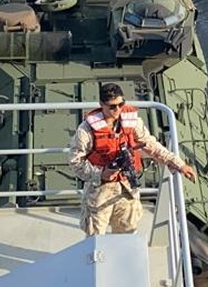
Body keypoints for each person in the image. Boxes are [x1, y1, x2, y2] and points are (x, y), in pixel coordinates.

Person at [69, 82, 196, 236]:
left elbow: (151, 145)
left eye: (121, 104)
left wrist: (178, 164)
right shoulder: (86, 131)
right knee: (94, 237)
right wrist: (101, 174)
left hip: (127, 188)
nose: (117, 110)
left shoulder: (132, 123)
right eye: (112, 106)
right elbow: (76, 162)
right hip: (99, 191)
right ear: (101, 104)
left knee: (127, 234)